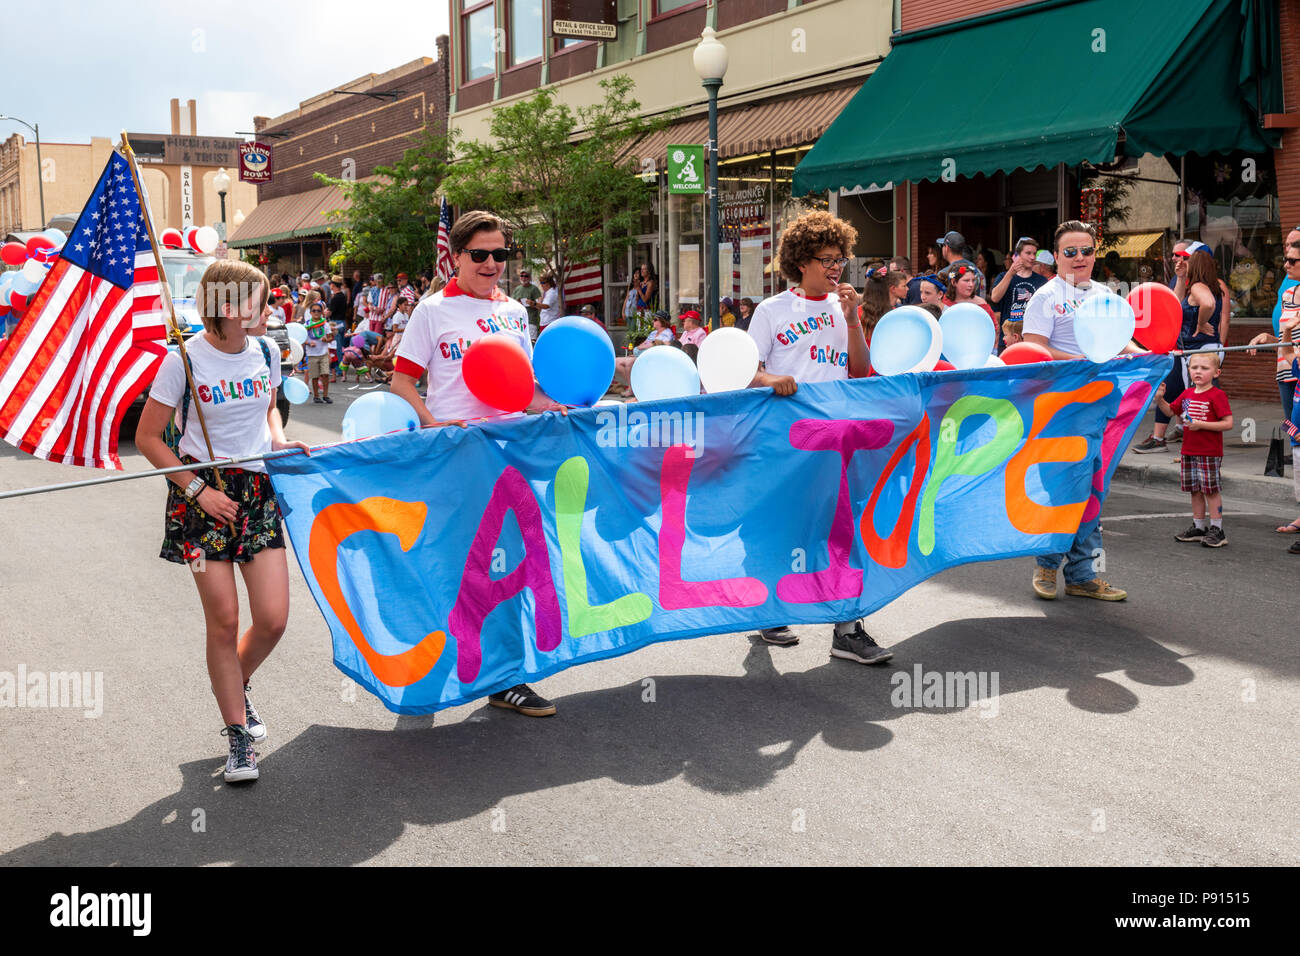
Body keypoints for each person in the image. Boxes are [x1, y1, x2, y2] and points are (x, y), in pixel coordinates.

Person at [134, 260, 311, 784]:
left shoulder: (266, 350)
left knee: (274, 618)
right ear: (229, 307)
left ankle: (236, 681)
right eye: (261, 298)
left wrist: (277, 442)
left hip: (256, 491)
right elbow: (149, 439)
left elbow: (268, 411)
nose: (273, 307)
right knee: (226, 620)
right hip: (199, 498)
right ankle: (237, 735)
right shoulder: (182, 362)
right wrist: (200, 491)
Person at [389, 210, 565, 717]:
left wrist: (550, 407)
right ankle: (443, 659)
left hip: (510, 456)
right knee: (459, 566)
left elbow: (522, 388)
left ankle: (505, 676)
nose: (492, 264)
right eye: (480, 254)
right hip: (456, 460)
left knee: (511, 563)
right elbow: (402, 381)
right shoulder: (432, 311)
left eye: (501, 255)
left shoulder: (514, 312)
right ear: (457, 255)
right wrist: (428, 420)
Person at [745, 209, 891, 665]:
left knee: (842, 530)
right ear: (801, 261)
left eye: (840, 260)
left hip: (835, 439)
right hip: (784, 440)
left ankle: (846, 628)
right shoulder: (771, 311)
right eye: (826, 259)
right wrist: (769, 380)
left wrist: (852, 318)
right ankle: (770, 608)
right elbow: (746, 371)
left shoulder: (844, 306)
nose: (835, 268)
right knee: (782, 526)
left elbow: (861, 370)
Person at [1023, 219, 1141, 602]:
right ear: (1055, 257)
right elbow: (1034, 350)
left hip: (1098, 411)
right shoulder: (1044, 297)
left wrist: (1149, 358)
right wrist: (1083, 361)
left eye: (1086, 251)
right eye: (1070, 252)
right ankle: (1046, 564)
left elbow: (1122, 343)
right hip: (1058, 412)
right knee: (1061, 491)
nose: (1079, 258)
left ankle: (1083, 575)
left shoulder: (1106, 294)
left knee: (1092, 495)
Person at [1134, 247, 1224, 453]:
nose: (1182, 263)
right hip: (1195, 349)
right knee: (1187, 393)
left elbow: (1207, 304)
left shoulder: (1199, 287)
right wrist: (1181, 277)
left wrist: (1201, 323)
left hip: (1195, 350)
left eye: (1187, 261)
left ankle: (1188, 439)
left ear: (1197, 265)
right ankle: (1179, 435)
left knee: (1192, 394)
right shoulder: (1213, 286)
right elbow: (1174, 307)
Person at [1154, 351, 1233, 548]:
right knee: (1194, 490)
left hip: (1209, 451)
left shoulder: (1217, 395)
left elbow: (1228, 423)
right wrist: (1159, 399)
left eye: (1205, 368)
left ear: (1216, 372)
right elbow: (1171, 411)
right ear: (1188, 370)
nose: (1198, 371)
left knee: (1211, 490)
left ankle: (1217, 529)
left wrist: (1201, 425)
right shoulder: (1187, 393)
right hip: (1188, 450)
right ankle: (1199, 527)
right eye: (1194, 367)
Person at [989, 237, 1047, 348]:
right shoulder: (1003, 276)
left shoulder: (1041, 281)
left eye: (1034, 254)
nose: (1032, 257)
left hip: (1032, 340)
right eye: (1028, 253)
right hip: (1008, 340)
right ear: (1018, 255)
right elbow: (995, 297)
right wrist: (1010, 273)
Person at [614, 310, 676, 396]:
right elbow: (643, 344)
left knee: (628, 363)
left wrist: (650, 345)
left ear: (662, 321)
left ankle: (632, 389)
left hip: (653, 358)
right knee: (616, 361)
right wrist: (640, 349)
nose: (652, 321)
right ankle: (634, 386)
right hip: (641, 355)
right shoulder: (653, 333)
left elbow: (666, 345)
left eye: (655, 319)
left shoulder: (667, 333)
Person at [942, 265, 996, 335]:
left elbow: (994, 328)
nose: (971, 284)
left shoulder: (981, 304)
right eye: (966, 280)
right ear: (954, 282)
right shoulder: (944, 301)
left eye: (973, 280)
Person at [937, 230, 986, 298]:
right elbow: (982, 296)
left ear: (947, 248)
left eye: (942, 245)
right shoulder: (976, 270)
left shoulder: (943, 274)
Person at [303, 300, 333, 404]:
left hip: (323, 353)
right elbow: (302, 339)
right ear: (310, 312)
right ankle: (316, 396)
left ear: (321, 312)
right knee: (314, 376)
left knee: (325, 374)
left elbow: (331, 338)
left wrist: (327, 340)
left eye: (318, 311)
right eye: (314, 310)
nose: (316, 312)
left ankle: (325, 395)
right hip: (312, 354)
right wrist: (308, 343)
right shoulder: (306, 325)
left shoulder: (325, 325)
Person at [512, 268, 542, 337]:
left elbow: (539, 306)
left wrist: (532, 304)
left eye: (526, 276)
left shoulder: (534, 289)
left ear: (530, 278)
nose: (523, 278)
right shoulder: (517, 289)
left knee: (532, 342)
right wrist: (517, 303)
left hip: (531, 321)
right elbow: (512, 304)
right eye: (521, 276)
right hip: (518, 321)